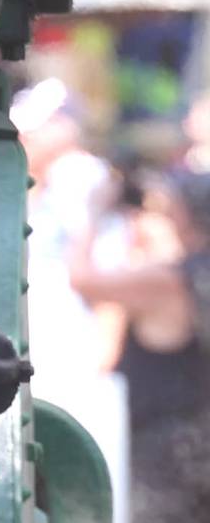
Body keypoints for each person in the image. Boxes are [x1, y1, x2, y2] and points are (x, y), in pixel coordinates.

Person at [68, 167, 210, 523]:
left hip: (169, 452)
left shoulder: (169, 282)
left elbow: (84, 280)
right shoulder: (189, 276)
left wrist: (94, 213)